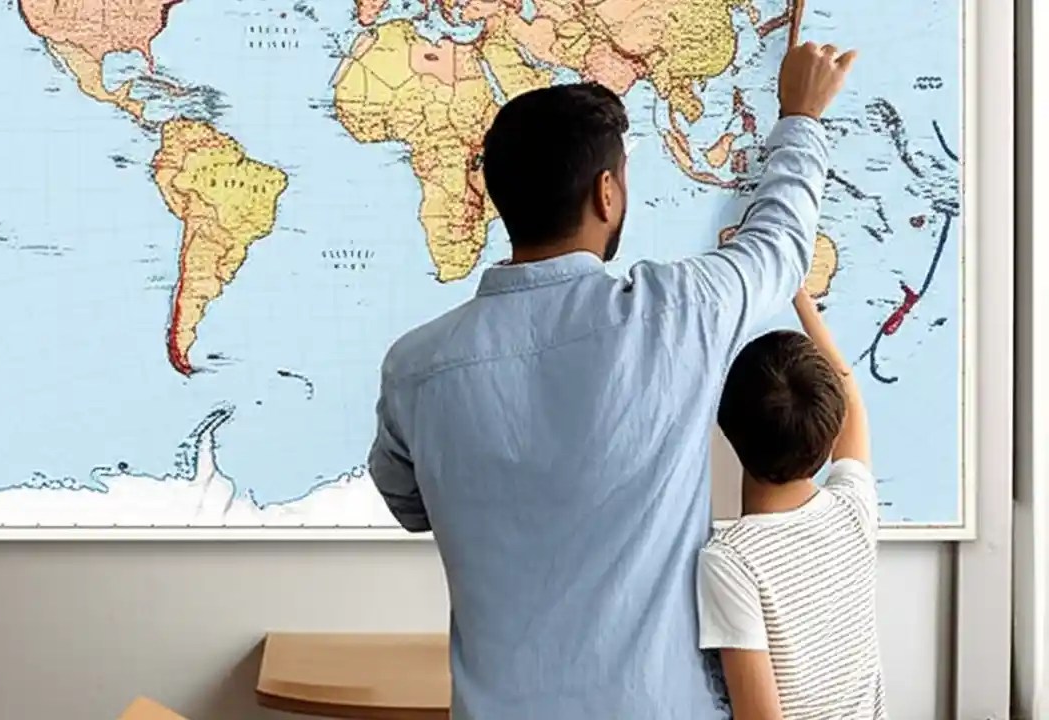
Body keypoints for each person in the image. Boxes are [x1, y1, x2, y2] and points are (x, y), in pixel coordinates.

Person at [367, 41, 857, 719]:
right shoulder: (677, 311)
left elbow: (409, 506)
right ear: (606, 193)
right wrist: (800, 116)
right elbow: (778, 245)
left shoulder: (414, 369)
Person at [698, 289, 882, 719]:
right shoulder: (853, 512)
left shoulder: (732, 561)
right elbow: (849, 391)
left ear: (724, 423)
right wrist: (799, 294)